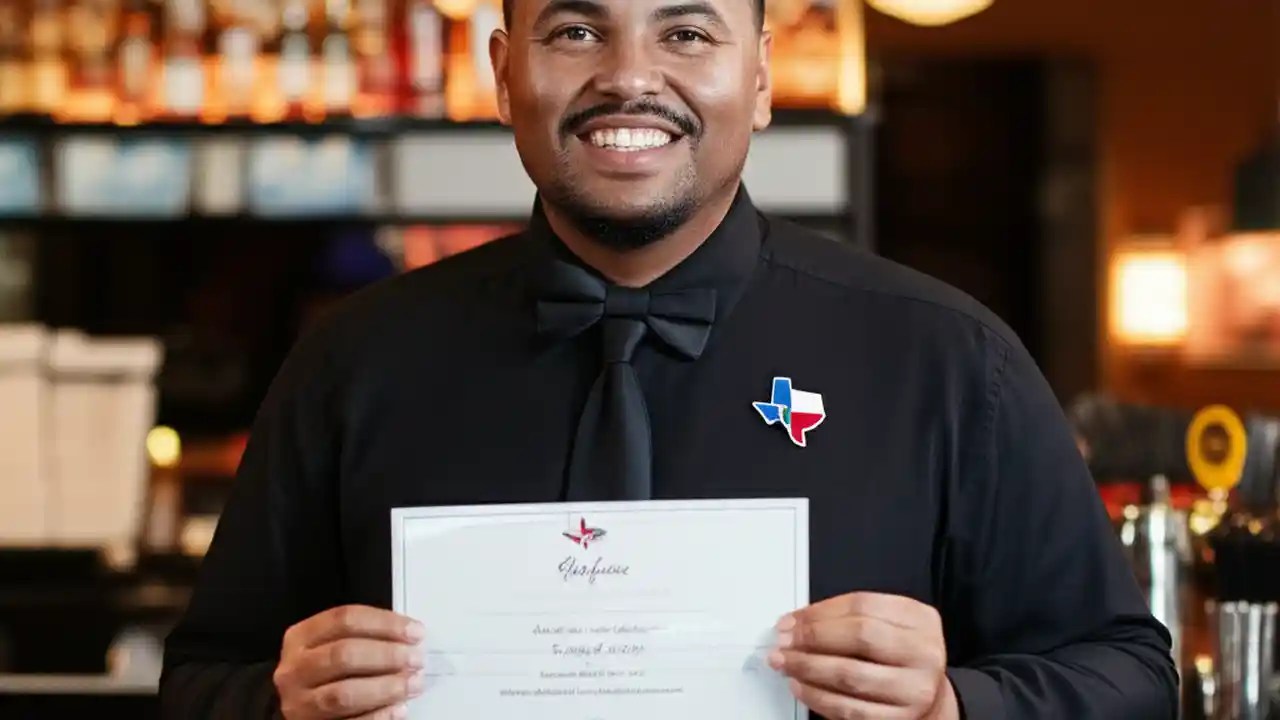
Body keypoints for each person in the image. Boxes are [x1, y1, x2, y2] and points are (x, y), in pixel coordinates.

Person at [159, 0, 1178, 716]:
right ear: (504, 72)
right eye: (573, 31)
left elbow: (1129, 674)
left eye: (685, 32)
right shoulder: (351, 364)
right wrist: (279, 701)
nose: (628, 78)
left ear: (762, 75)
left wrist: (956, 703)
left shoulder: (947, 358)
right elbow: (202, 678)